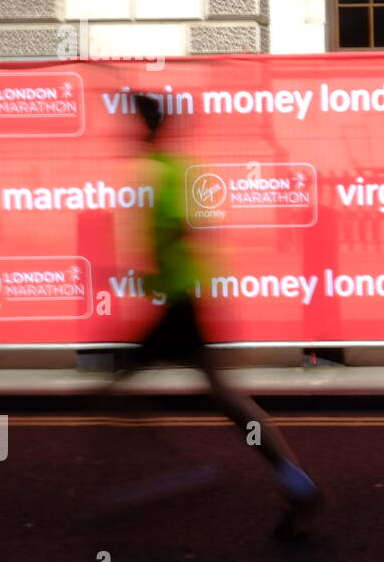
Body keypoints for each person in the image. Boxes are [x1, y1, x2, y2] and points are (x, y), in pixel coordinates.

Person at [118, 93, 323, 539]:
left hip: (180, 302)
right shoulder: (173, 168)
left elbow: (183, 226)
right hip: (184, 298)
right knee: (222, 396)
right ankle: (294, 481)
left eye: (135, 123)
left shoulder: (164, 172)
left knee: (113, 390)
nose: (129, 132)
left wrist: (148, 270)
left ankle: (166, 472)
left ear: (149, 127)